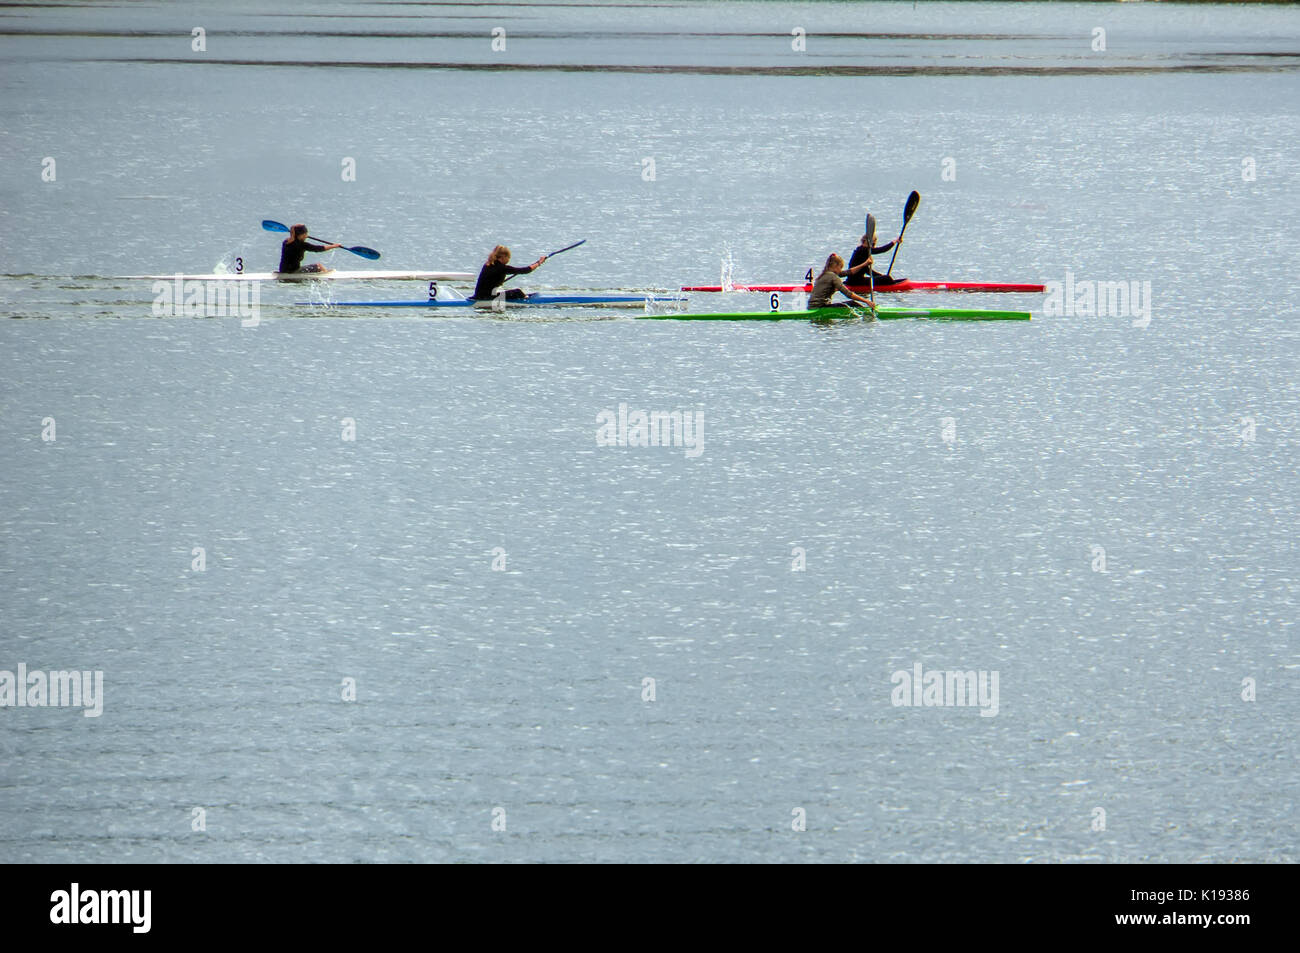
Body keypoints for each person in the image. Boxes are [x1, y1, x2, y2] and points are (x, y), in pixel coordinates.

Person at [844, 213, 904, 287]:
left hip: (852, 281)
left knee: (885, 278)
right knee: (887, 278)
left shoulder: (860, 250)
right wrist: (894, 241)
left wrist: (879, 276)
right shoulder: (864, 250)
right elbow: (882, 250)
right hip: (856, 282)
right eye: (874, 241)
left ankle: (885, 280)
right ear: (868, 241)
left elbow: (867, 270)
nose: (874, 244)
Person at [470, 245, 547, 302]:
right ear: (503, 257)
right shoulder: (502, 268)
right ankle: (527, 300)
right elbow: (525, 270)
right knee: (518, 292)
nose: (508, 260)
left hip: (478, 296)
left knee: (515, 292)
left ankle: (525, 296)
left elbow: (491, 280)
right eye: (508, 258)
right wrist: (539, 262)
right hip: (487, 298)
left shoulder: (488, 264)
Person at [808, 254, 875, 310]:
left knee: (848, 304)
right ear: (835, 266)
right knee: (852, 304)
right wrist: (866, 301)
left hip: (811, 307)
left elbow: (848, 272)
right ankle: (867, 312)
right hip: (820, 307)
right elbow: (848, 294)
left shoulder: (825, 274)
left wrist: (865, 264)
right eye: (840, 267)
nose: (841, 270)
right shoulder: (832, 276)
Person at [277, 224, 341, 274]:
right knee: (318, 266)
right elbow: (318, 248)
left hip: (283, 270)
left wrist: (294, 231)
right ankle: (328, 275)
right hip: (293, 271)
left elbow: (292, 237)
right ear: (301, 235)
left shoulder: (286, 242)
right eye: (305, 234)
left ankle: (323, 272)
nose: (306, 236)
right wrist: (334, 246)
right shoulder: (302, 245)